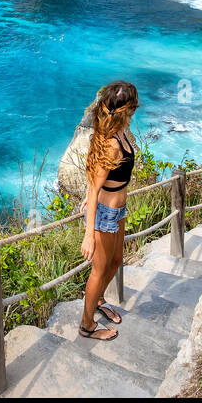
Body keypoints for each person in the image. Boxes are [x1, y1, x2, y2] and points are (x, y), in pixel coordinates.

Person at [78, 80, 138, 341]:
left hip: (119, 209)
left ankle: (99, 299)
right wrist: (89, 235)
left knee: (115, 262)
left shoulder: (119, 131)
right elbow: (94, 190)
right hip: (105, 214)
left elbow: (94, 177)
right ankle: (86, 325)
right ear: (127, 110)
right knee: (99, 270)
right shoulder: (112, 143)